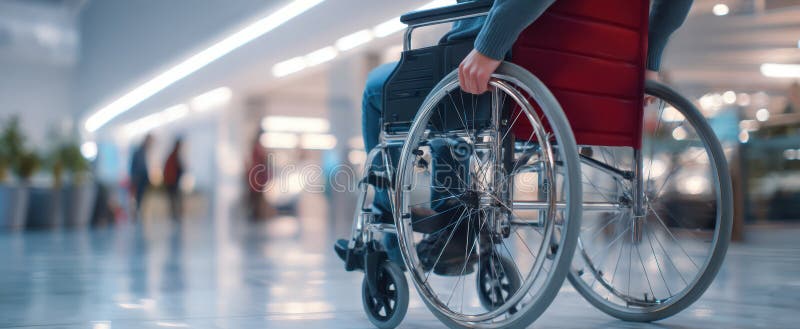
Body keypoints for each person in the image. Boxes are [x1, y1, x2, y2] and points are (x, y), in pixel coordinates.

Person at [336, 0, 694, 271]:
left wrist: (489, 45)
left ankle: (390, 233)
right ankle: (453, 222)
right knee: (454, 116)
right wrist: (649, 59)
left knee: (378, 91)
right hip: (583, 86)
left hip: (500, 66)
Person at [129, 134, 152, 220]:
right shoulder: (139, 152)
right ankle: (136, 215)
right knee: (137, 198)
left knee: (141, 198)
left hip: (142, 179)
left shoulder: (144, 151)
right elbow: (138, 167)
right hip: (139, 179)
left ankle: (139, 215)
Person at [163, 137, 185, 221]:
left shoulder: (173, 155)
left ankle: (175, 215)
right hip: (172, 182)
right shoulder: (174, 155)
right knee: (174, 199)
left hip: (171, 181)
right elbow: (178, 168)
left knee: (173, 199)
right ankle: (175, 215)